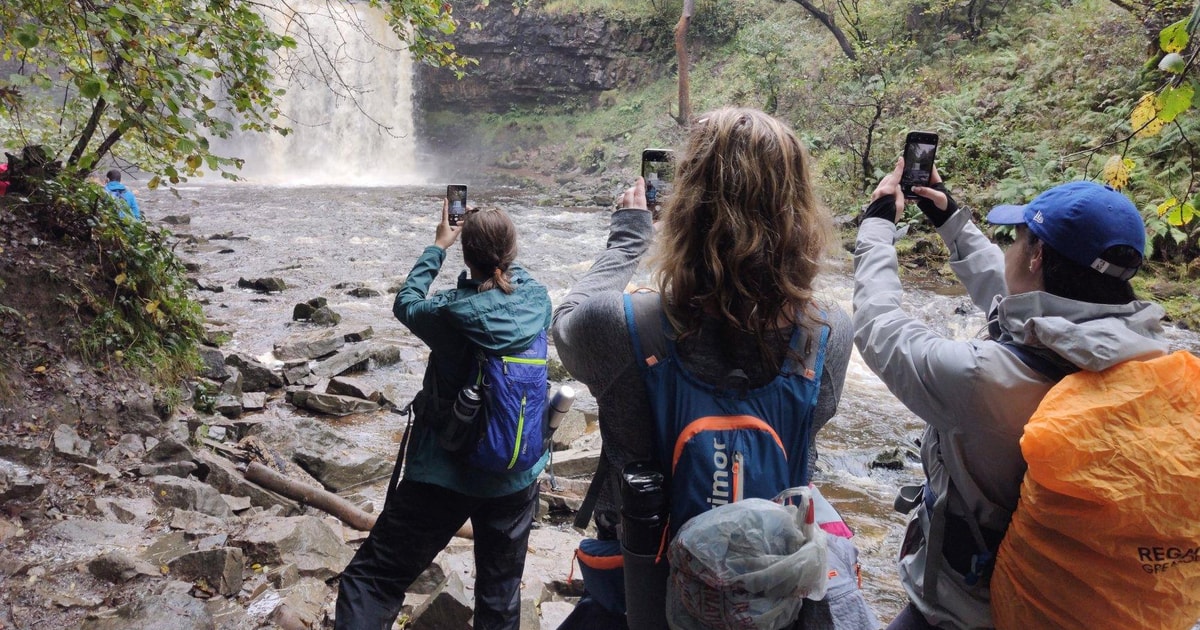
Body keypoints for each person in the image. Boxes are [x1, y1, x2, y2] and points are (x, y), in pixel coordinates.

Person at [552, 107, 871, 628]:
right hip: (764, 599)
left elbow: (564, 322)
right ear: (799, 214)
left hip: (644, 590)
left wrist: (629, 239)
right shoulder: (829, 333)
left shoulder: (617, 326)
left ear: (684, 209)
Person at [852, 160, 1169, 629]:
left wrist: (877, 227)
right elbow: (1021, 305)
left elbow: (878, 323)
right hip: (1078, 608)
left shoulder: (979, 377)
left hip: (969, 613)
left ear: (1037, 255)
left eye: (1017, 238)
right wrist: (951, 222)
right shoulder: (1149, 360)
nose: (1009, 249)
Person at [335, 203, 552, 630]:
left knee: (373, 580)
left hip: (445, 474)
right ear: (512, 252)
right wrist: (492, 251)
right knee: (500, 594)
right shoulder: (539, 301)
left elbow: (406, 301)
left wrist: (439, 244)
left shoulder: (449, 312)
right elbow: (508, 277)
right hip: (516, 475)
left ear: (465, 253)